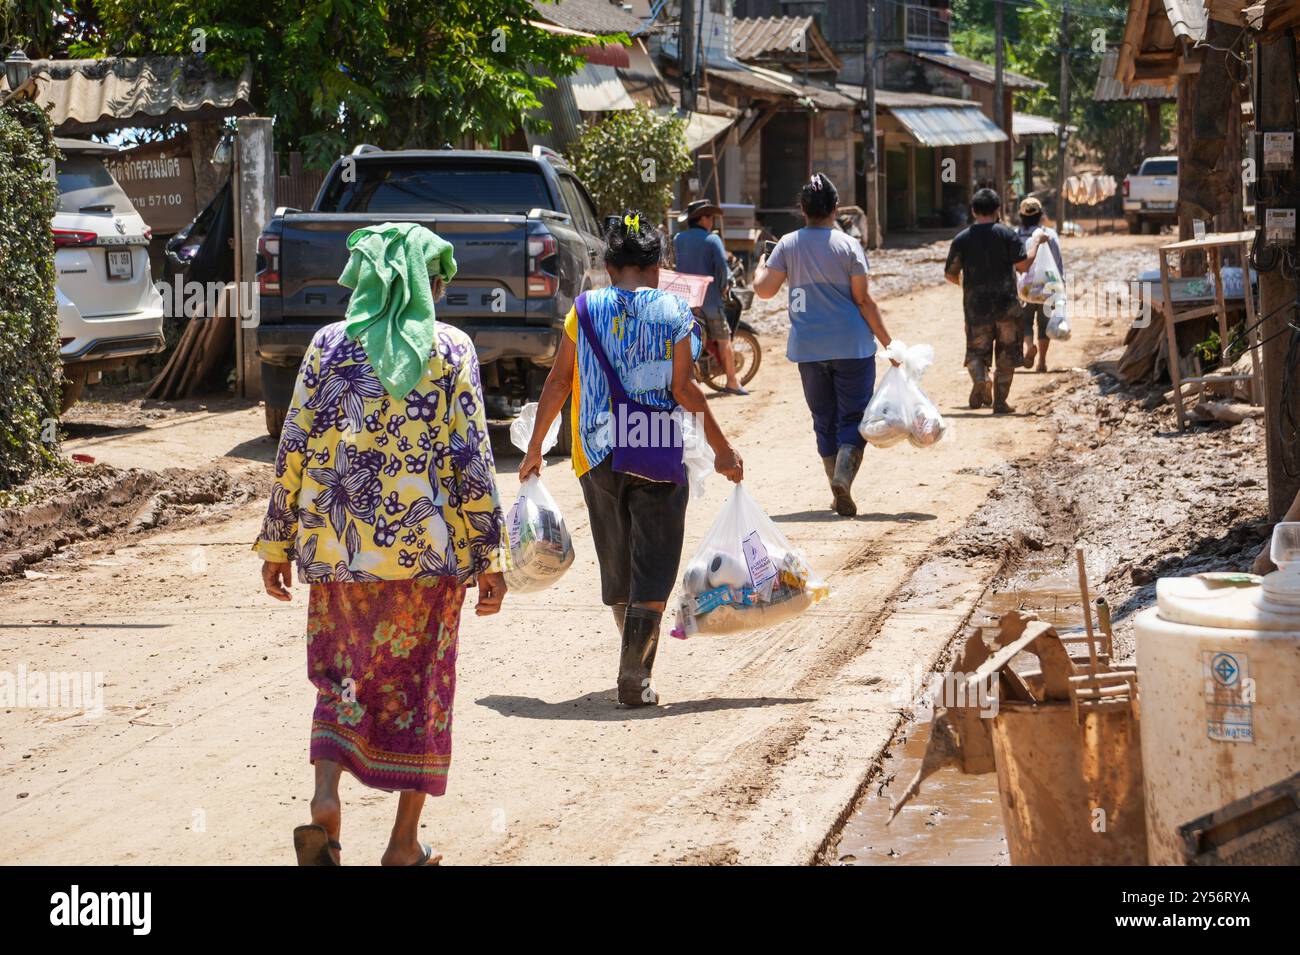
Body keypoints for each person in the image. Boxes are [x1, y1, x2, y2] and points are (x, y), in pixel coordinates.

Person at [255, 221, 509, 866]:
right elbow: (470, 459)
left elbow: (296, 447)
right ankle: (401, 845)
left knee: (341, 678)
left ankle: (323, 800)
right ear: (431, 285)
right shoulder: (450, 350)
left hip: (339, 558)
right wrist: (489, 557)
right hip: (426, 561)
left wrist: (279, 543)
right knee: (421, 687)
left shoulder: (327, 345)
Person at [520, 210, 744, 707]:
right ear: (658, 264)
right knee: (656, 564)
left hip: (596, 452)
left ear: (608, 262)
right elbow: (685, 389)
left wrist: (536, 447)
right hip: (657, 446)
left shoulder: (584, 308)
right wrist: (722, 449)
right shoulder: (674, 312)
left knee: (619, 562)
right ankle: (634, 673)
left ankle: (631, 659)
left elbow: (558, 382)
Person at [752, 173, 896, 518]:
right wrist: (890, 343)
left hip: (809, 349)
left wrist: (760, 265)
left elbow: (764, 290)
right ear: (835, 208)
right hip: (852, 347)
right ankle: (844, 477)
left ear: (802, 209)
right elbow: (863, 300)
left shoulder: (787, 244)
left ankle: (835, 482)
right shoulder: (848, 246)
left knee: (823, 418)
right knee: (854, 416)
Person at [944, 188, 1043, 415]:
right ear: (998, 210)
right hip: (1007, 306)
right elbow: (1023, 266)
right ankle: (1000, 402)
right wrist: (1035, 244)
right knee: (1007, 355)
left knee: (976, 352)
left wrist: (967, 287)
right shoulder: (1008, 235)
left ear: (973, 211)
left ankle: (981, 378)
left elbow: (950, 273)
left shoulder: (962, 239)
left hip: (976, 308)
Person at [672, 199, 746, 395]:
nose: (712, 220)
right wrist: (724, 288)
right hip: (710, 301)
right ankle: (731, 381)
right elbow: (722, 269)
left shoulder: (678, 239)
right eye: (709, 217)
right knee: (724, 339)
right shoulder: (712, 240)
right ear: (702, 219)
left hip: (685, 300)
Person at [1015, 196, 1066, 373]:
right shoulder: (1049, 235)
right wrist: (1062, 285)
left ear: (1021, 216)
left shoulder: (1015, 235)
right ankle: (1042, 362)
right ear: (1041, 215)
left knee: (1024, 321)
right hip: (1047, 286)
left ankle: (1029, 346)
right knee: (1043, 324)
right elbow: (1058, 262)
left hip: (1025, 288)